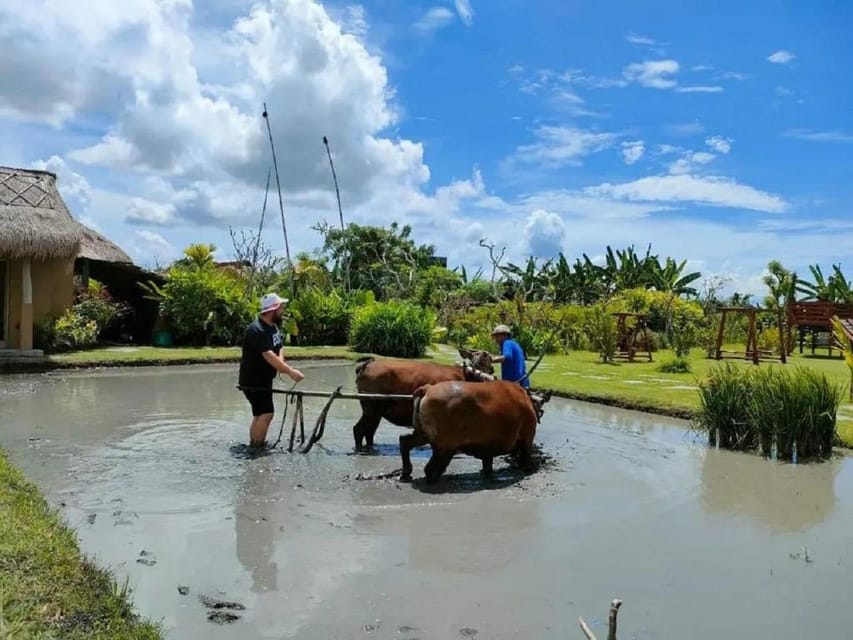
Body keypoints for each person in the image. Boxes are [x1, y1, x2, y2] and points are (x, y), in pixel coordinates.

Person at [239, 293, 305, 448]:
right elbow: (268, 355)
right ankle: (257, 448)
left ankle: (255, 444)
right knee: (266, 414)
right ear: (272, 309)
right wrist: (290, 371)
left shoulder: (273, 327)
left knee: (260, 414)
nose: (283, 310)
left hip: (264, 379)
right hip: (253, 380)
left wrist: (280, 364)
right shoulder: (257, 330)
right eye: (281, 307)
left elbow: (279, 347)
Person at [490, 324, 530, 389]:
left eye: (497, 337)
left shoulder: (507, 343)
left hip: (514, 383)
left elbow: (508, 357)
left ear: (505, 335)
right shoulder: (514, 344)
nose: (496, 340)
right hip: (522, 381)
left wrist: (491, 360)